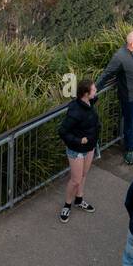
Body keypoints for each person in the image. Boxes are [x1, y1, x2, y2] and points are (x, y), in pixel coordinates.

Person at [96, 30, 133, 165]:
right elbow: (107, 74)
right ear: (132, 44)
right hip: (130, 97)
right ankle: (129, 149)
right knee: (129, 123)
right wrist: (95, 89)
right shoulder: (119, 57)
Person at [57, 79, 100, 223]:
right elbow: (62, 131)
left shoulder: (90, 102)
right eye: (94, 90)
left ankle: (79, 199)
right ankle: (67, 205)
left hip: (90, 147)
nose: (96, 91)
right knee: (75, 180)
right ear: (86, 94)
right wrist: (78, 141)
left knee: (83, 175)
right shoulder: (75, 111)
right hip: (77, 150)